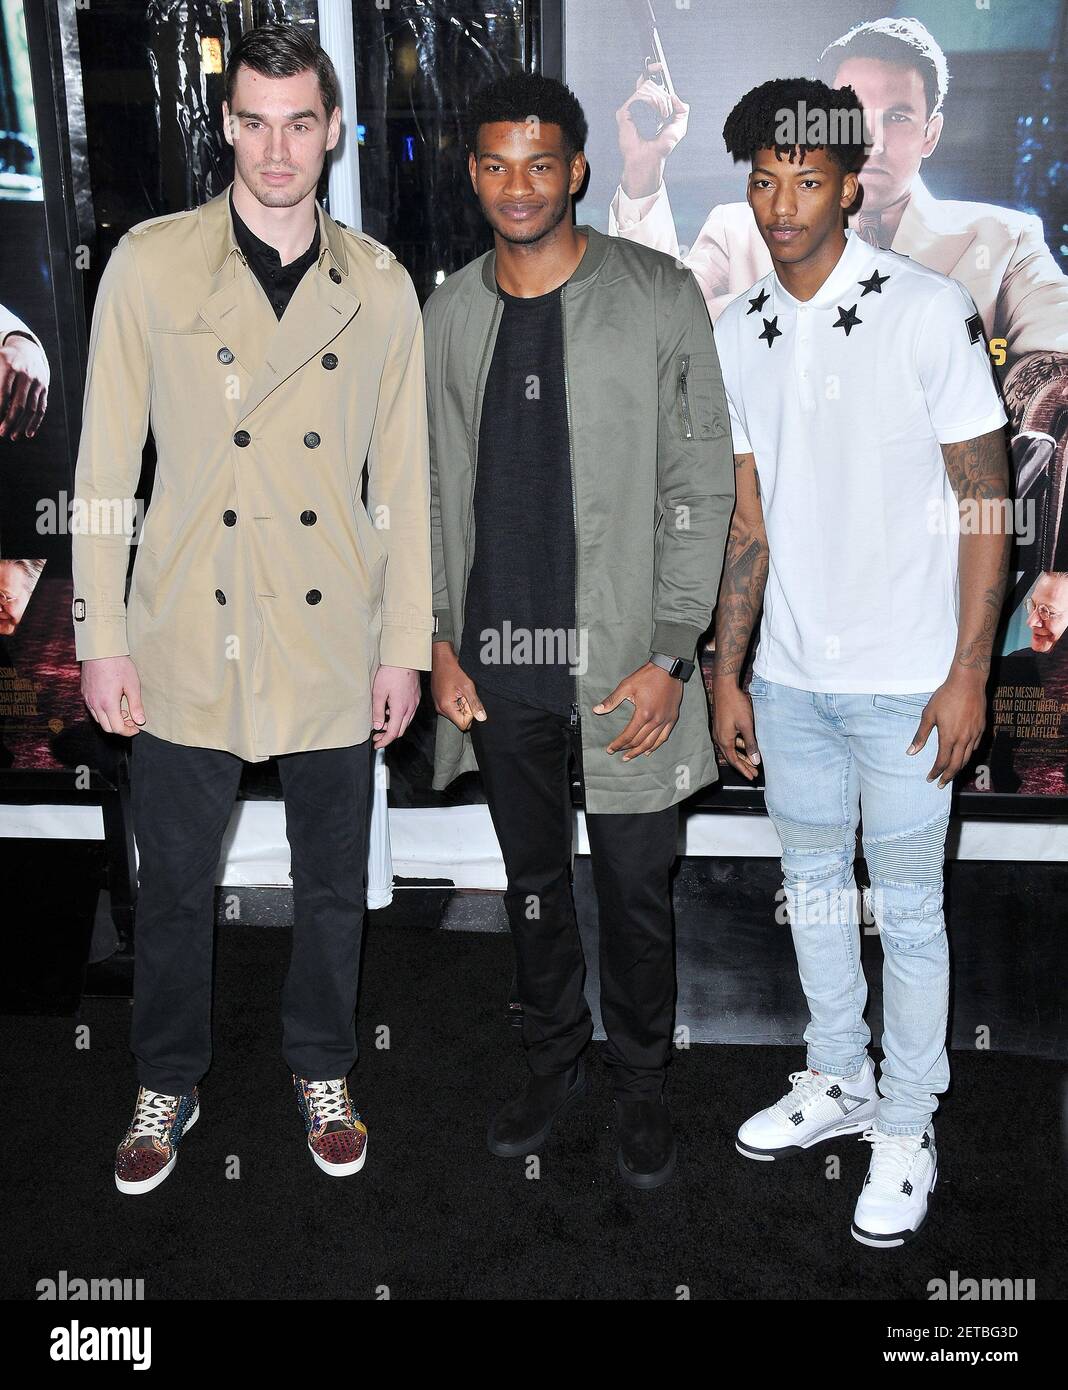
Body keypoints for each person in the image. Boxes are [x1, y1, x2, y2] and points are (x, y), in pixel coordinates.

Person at [71, 24, 433, 1193]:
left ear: (333, 131)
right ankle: (165, 1077)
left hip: (333, 628)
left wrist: (406, 643)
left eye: (300, 122)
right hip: (185, 621)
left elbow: (407, 485)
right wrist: (100, 636)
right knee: (172, 881)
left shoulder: (378, 284)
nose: (277, 150)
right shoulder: (151, 262)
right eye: (254, 121)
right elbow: (102, 468)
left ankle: (323, 1062)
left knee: (333, 878)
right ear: (224, 126)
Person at [709, 78, 1011, 1246]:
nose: (783, 203)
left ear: (853, 184)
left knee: (914, 914)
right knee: (820, 895)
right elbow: (750, 522)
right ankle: (836, 1079)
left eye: (808, 179)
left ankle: (908, 1117)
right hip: (788, 681)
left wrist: (970, 670)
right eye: (764, 179)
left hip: (907, 680)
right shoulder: (736, 327)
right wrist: (732, 671)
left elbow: (985, 504)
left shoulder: (927, 308)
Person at [425, 73, 734, 1189]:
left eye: (541, 163)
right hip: (502, 663)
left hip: (623, 664)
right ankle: (553, 1056)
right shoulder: (451, 309)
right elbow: (430, 486)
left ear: (578, 171)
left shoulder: (657, 293)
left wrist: (669, 654)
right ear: (474, 172)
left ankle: (643, 1076)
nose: (520, 186)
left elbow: (700, 484)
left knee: (636, 890)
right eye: (498, 164)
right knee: (533, 881)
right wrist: (442, 636)